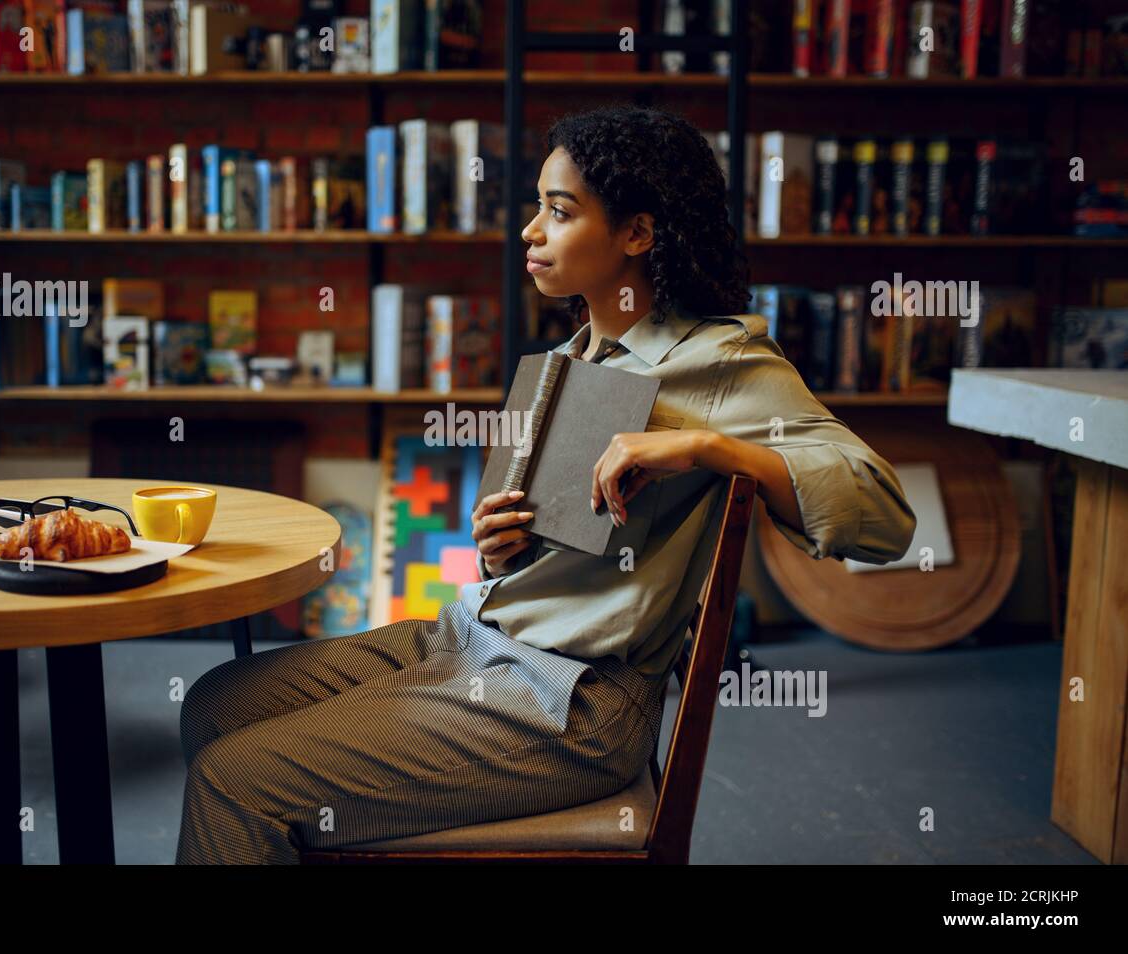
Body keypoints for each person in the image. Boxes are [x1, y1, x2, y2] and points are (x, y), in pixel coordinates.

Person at [175, 105, 917, 864]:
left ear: (637, 233)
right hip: (471, 638)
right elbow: (544, 556)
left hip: (568, 702)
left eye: (559, 212)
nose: (531, 230)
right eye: (538, 207)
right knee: (213, 706)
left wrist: (711, 446)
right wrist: (501, 552)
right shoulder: (570, 357)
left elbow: (886, 516)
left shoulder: (724, 363)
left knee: (234, 779)